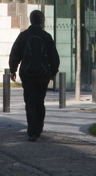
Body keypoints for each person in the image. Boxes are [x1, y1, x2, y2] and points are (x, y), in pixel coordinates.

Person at [9, 10, 60, 141]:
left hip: (27, 73)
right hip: (42, 74)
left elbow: (15, 53)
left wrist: (13, 70)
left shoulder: (24, 36)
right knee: (40, 101)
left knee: (30, 101)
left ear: (30, 20)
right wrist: (53, 72)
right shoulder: (46, 36)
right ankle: (39, 128)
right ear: (42, 21)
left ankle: (32, 131)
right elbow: (54, 57)